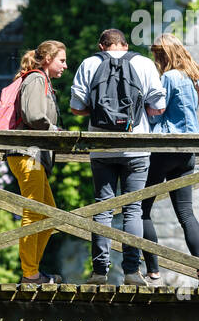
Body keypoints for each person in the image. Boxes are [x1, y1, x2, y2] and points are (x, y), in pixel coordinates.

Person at [69, 28, 165, 286]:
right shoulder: (143, 63)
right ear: (125, 44)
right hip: (136, 147)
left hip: (101, 148)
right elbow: (159, 107)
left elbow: (76, 108)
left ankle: (100, 272)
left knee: (103, 208)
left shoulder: (89, 64)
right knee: (133, 209)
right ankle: (132, 272)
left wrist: (100, 114)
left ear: (102, 46)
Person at [140, 33, 199, 288]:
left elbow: (159, 113)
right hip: (188, 151)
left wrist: (146, 113)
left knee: (140, 209)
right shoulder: (197, 76)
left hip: (165, 147)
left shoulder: (169, 77)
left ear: (163, 55)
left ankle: (154, 273)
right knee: (186, 213)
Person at [2, 40, 68, 285]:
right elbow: (33, 115)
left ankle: (33, 271)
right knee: (34, 212)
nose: (65, 65)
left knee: (48, 214)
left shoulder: (42, 81)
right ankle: (30, 274)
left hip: (33, 155)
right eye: (61, 60)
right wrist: (55, 130)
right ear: (48, 58)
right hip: (26, 154)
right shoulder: (36, 79)